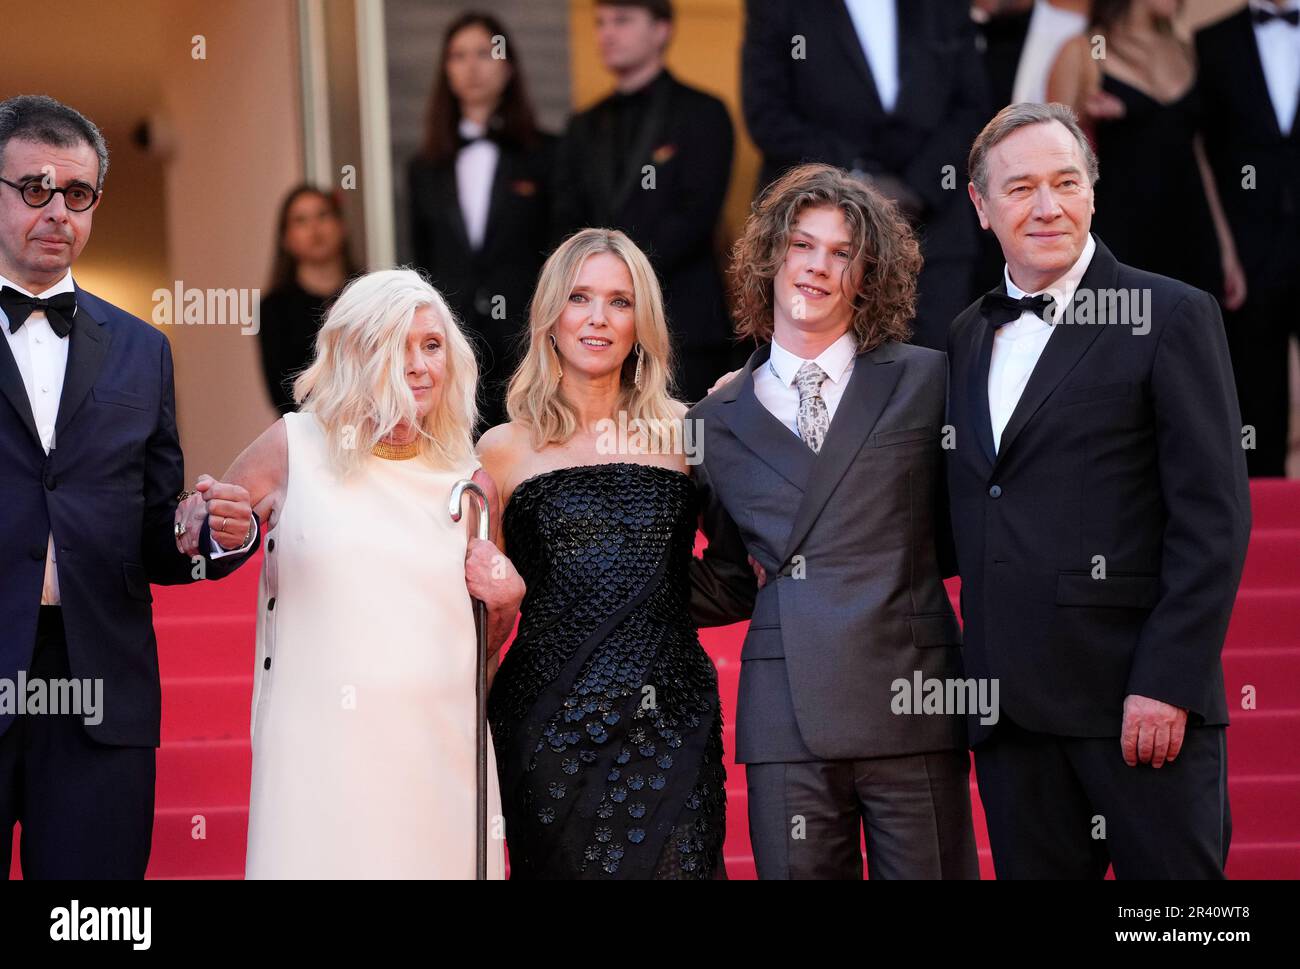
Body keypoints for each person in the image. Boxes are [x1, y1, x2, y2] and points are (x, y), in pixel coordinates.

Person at [947, 102, 1250, 878]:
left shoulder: (1170, 314)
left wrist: (1166, 682)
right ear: (981, 207)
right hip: (1010, 716)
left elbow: (1213, 520)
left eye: (1065, 182)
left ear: (1092, 192)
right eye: (1020, 189)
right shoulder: (967, 336)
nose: (1047, 206)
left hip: (1137, 710)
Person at [690, 163, 979, 880]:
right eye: (802, 245)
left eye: (842, 253)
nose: (818, 266)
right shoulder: (715, 421)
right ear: (771, 258)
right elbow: (728, 576)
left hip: (910, 698)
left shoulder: (928, 380)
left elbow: (967, 527)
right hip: (786, 714)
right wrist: (596, 594)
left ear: (868, 274)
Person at [0, 94, 259, 878]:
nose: (57, 211)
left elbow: (157, 531)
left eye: (76, 195)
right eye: (34, 188)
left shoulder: (142, 350)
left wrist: (207, 532)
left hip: (99, 688)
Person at [202, 269, 524, 878]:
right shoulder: (294, 444)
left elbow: (486, 644)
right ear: (355, 352)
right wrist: (207, 519)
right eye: (395, 346)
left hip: (436, 751)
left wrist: (507, 599)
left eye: (431, 345)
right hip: (319, 747)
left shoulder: (469, 476)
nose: (419, 365)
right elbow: (209, 533)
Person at [479, 228, 727, 878]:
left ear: (640, 320)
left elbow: (740, 562)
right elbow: (476, 603)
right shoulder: (501, 449)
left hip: (671, 719)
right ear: (549, 316)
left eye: (619, 301)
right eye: (580, 298)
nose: (597, 318)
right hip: (548, 727)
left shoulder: (689, 431)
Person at [741, 0, 989, 350]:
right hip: (820, 232)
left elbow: (972, 108)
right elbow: (768, 115)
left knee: (938, 381)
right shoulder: (780, 7)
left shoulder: (944, 6)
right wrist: (858, 184)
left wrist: (916, 188)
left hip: (935, 233)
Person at [552, 0, 735, 402]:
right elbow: (564, 218)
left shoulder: (704, 113)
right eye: (600, 23)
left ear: (661, 29)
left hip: (683, 324)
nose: (607, 33)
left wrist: (622, 277)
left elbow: (696, 216)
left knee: (689, 451)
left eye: (622, 20)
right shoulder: (582, 126)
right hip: (597, 335)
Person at [409, 11, 556, 431]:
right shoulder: (424, 167)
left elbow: (557, 250)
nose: (471, 66)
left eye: (483, 53)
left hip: (527, 343)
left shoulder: (547, 154)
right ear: (445, 70)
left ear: (507, 67)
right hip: (452, 346)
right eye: (458, 56)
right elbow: (421, 263)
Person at [1047, 0, 1245, 305]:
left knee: (1193, 344)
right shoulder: (1084, 50)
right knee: (1125, 344)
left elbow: (1199, 156)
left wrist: (1226, 248)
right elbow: (1051, 159)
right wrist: (1085, 118)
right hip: (1122, 236)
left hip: (1193, 234)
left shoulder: (1183, 49)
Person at [1197, 0, 1300, 477]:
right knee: (1256, 390)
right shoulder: (1212, 41)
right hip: (1250, 249)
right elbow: (1206, 152)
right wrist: (1223, 249)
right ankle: (1263, 515)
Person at [257, 184, 359, 414]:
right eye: (301, 220)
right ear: (286, 239)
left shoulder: (369, 292)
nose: (314, 228)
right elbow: (281, 392)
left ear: (340, 225)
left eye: (322, 215)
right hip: (308, 431)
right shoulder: (274, 308)